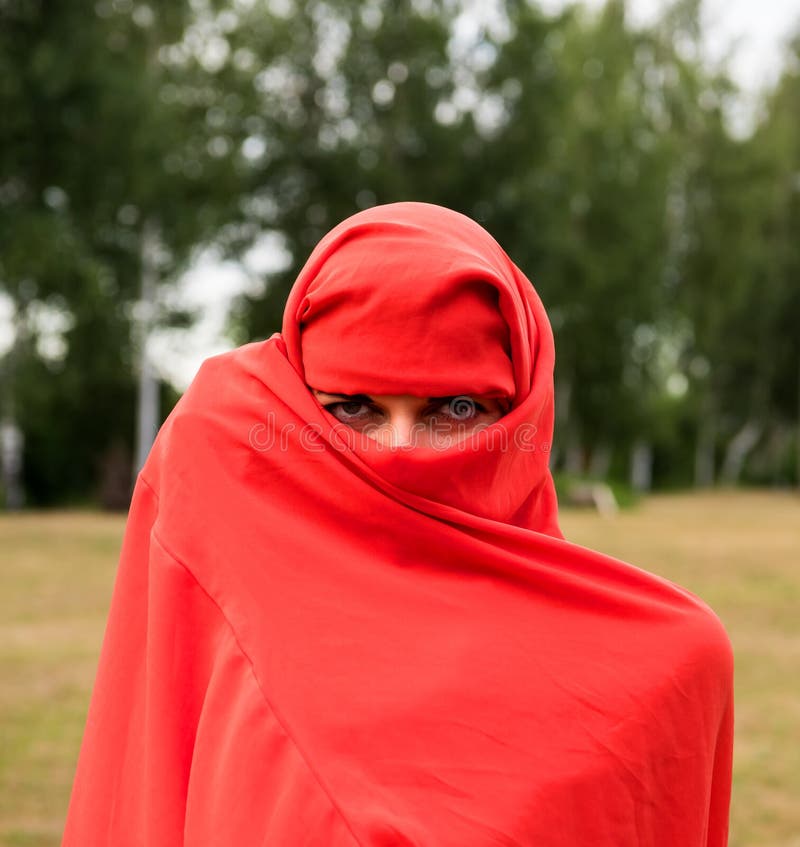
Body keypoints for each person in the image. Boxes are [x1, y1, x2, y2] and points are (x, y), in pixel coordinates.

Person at [62, 202, 733, 846]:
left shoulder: (648, 673)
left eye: (456, 408)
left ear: (519, 415)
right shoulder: (226, 523)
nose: (400, 449)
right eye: (356, 408)